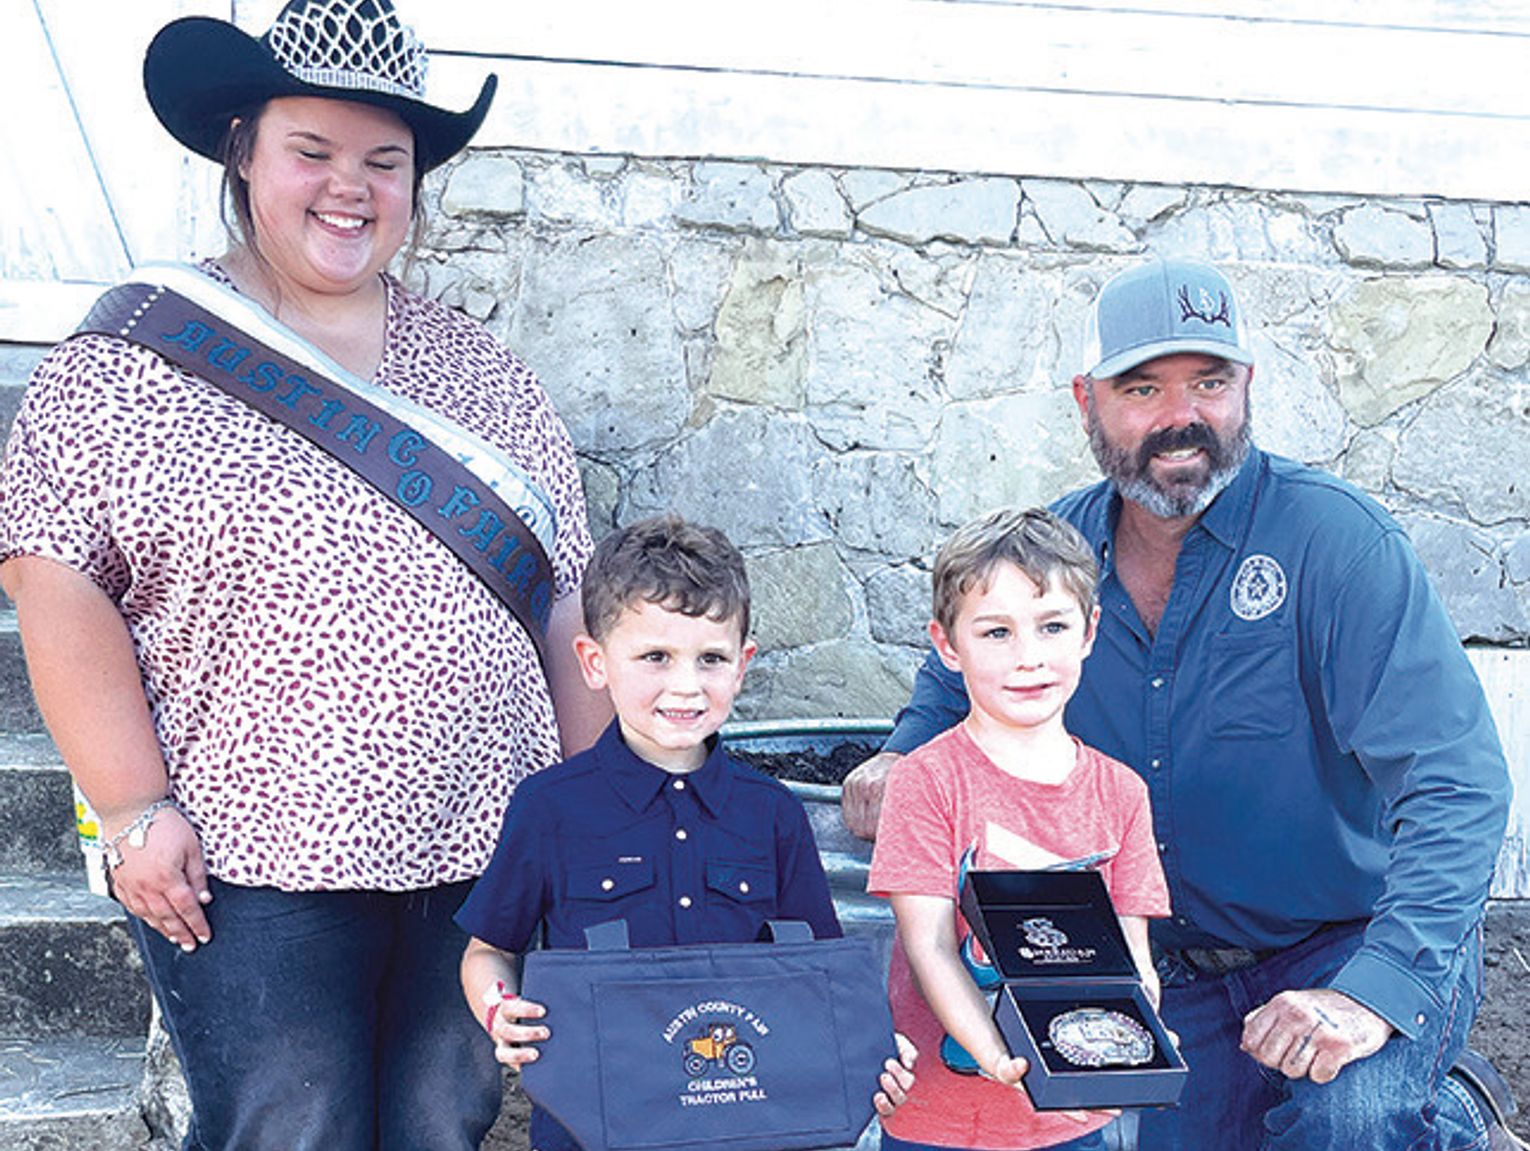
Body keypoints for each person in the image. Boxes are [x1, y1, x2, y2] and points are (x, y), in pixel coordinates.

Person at [0, 2, 609, 1148]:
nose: (351, 187)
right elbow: (56, 580)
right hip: (254, 854)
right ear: (244, 150)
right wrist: (133, 809)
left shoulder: (486, 373)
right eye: (313, 152)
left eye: (385, 162)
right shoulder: (128, 359)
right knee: (291, 1126)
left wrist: (596, 811)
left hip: (485, 839)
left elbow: (565, 602)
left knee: (446, 1117)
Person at [842, 259, 1515, 1150]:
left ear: (1246, 387)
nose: (1180, 416)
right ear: (1087, 399)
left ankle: (1447, 1112)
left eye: (1209, 381)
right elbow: (943, 701)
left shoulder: (1341, 547)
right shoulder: (1053, 557)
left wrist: (1373, 991)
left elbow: (1458, 784)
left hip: (1345, 940)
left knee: (1345, 1120)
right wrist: (900, 759)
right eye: (1142, 386)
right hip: (1158, 970)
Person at [456, 514, 917, 1151]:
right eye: (655, 657)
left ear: (742, 664)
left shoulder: (775, 812)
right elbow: (487, 951)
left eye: (710, 659)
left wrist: (869, 1051)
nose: (685, 686)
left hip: (747, 1128)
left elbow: (819, 979)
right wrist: (498, 1009)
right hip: (591, 1130)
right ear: (595, 661)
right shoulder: (548, 808)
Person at [868, 507, 1170, 1151]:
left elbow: (1131, 957)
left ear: (1089, 632)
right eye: (996, 632)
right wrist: (998, 1055)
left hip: (1071, 1123)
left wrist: (1138, 1041)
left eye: (1052, 626)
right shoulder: (926, 781)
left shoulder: (1121, 793)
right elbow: (930, 948)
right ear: (948, 645)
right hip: (938, 1121)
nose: (1028, 657)